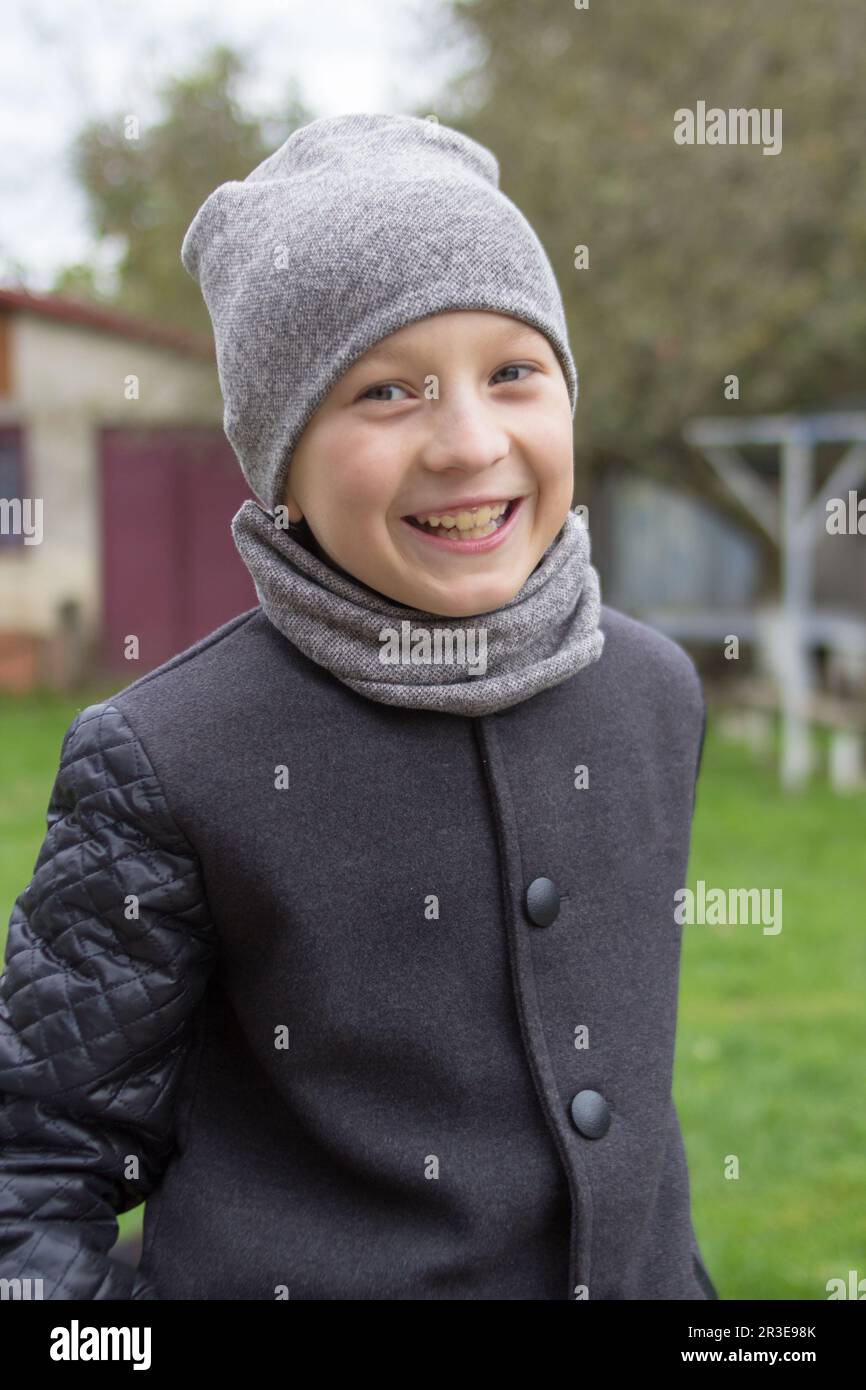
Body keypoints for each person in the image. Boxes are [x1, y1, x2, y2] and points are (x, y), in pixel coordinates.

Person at [0, 113, 718, 1300]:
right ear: (281, 461)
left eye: (512, 372)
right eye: (387, 390)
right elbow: (34, 1157)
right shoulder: (171, 757)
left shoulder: (651, 693)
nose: (468, 441)